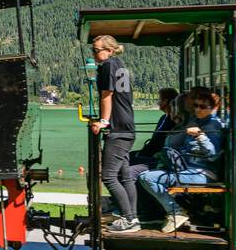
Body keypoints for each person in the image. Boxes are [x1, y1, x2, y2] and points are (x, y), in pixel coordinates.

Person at [138, 89, 226, 234]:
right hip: (187, 169)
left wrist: (200, 136)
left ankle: (176, 212)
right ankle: (174, 212)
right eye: (196, 105)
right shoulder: (197, 122)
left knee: (147, 177)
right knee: (147, 175)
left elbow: (213, 154)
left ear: (213, 108)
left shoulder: (212, 126)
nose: (198, 109)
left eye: (203, 106)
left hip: (201, 173)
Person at [90, 34, 138, 232]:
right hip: (127, 125)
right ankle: (132, 216)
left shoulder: (109, 65)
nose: (93, 54)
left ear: (108, 50)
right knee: (125, 175)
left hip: (117, 128)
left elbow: (106, 95)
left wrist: (103, 121)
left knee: (109, 176)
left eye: (96, 50)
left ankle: (129, 219)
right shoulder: (120, 65)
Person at [131, 88, 180, 167]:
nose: (158, 102)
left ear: (165, 101)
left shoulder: (173, 121)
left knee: (127, 160)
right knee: (128, 156)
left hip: (155, 155)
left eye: (159, 100)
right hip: (148, 151)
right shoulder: (163, 117)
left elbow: (161, 143)